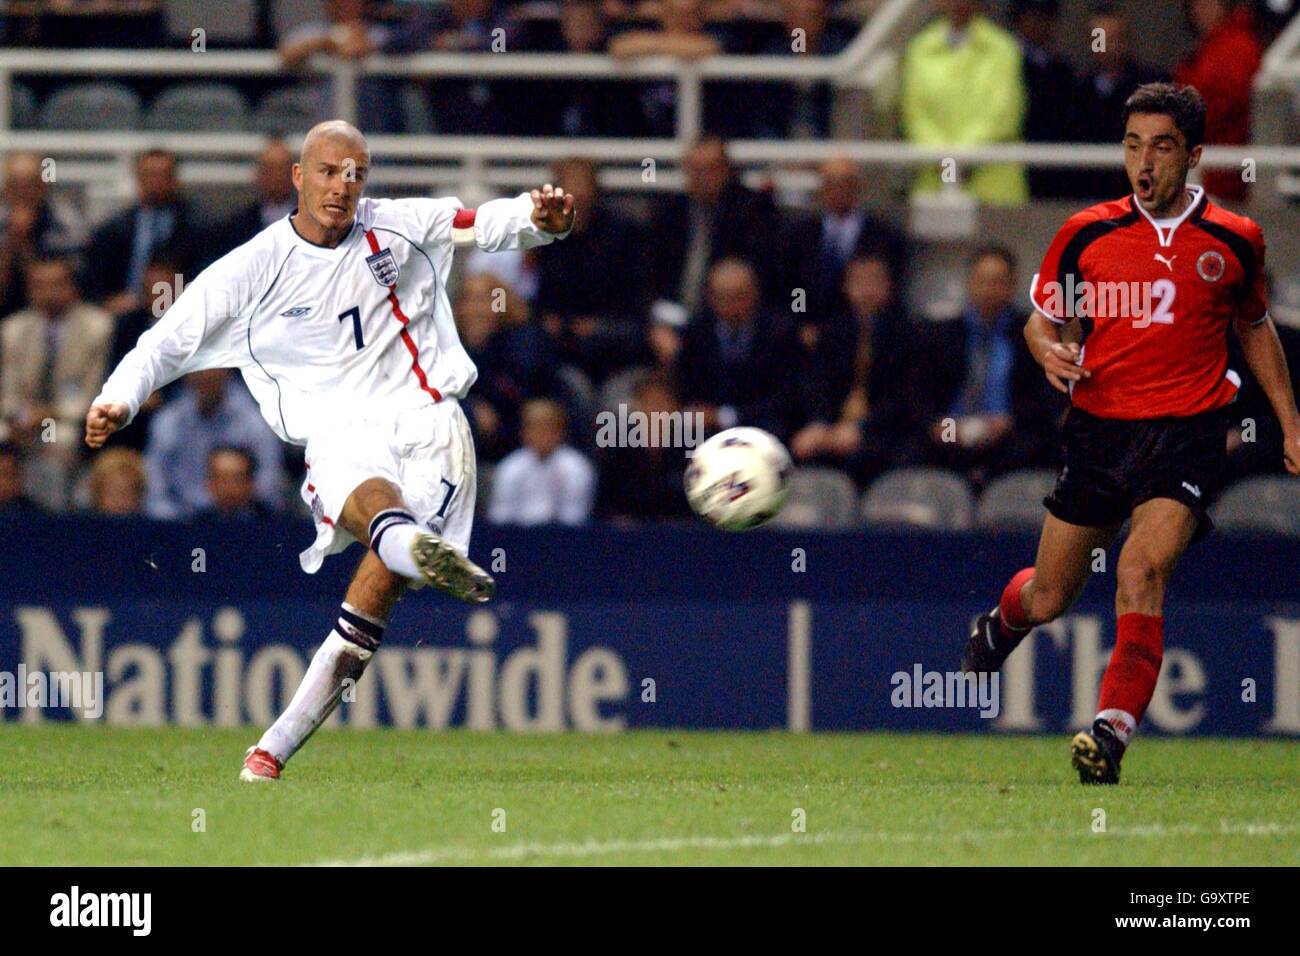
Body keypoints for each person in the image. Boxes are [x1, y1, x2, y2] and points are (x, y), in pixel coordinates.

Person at [84, 120, 575, 782]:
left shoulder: (399, 224)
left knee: (380, 580)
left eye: (355, 174)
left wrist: (542, 220)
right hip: (344, 428)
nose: (342, 186)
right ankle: (409, 547)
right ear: (297, 176)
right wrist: (117, 398)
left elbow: (482, 222)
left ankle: (278, 741)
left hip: (429, 421)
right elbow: (168, 340)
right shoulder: (254, 268)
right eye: (327, 171)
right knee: (375, 516)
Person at [959, 84, 1300, 785]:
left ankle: (1110, 734)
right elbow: (1040, 316)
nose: (1144, 163)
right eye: (1133, 145)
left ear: (1195, 155)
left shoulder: (1236, 240)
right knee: (1050, 597)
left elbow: (1254, 326)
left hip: (1188, 432)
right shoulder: (1085, 232)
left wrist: (1292, 424)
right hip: (1099, 433)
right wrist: (1044, 347)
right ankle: (1002, 624)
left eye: (1162, 147)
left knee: (1141, 570)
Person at [900, 0, 1028, 206]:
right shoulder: (919, 48)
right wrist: (947, 162)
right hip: (934, 183)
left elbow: (1003, 115)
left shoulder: (1004, 48)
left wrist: (956, 160)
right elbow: (914, 116)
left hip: (993, 187)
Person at [142, 368, 285, 520]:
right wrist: (187, 522)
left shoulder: (255, 423)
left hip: (243, 523)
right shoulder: (167, 422)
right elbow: (154, 491)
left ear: (228, 369)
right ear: (186, 372)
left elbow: (268, 487)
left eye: (213, 367)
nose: (206, 375)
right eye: (199, 368)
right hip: (181, 524)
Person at [487, 399, 596, 526]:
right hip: (517, 537)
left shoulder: (577, 467)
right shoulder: (511, 467)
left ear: (560, 431)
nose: (541, 433)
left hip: (562, 538)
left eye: (548, 427)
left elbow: (575, 516)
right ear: (524, 432)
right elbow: (500, 516)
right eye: (534, 427)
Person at [87, 447, 146, 516]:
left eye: (126, 494)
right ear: (97, 494)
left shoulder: (149, 525)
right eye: (112, 494)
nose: (119, 502)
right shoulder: (81, 524)